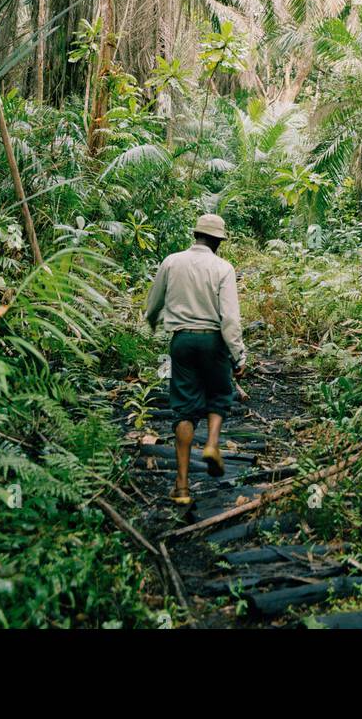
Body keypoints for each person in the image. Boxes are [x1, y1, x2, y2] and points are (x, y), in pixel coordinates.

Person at [145, 214, 246, 506]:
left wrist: (152, 321)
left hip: (182, 341)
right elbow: (230, 318)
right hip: (213, 340)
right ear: (218, 241)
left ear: (196, 235)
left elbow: (154, 302)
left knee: (184, 407)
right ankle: (212, 444)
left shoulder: (171, 261)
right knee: (219, 394)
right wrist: (238, 355)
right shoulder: (223, 268)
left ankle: (181, 486)